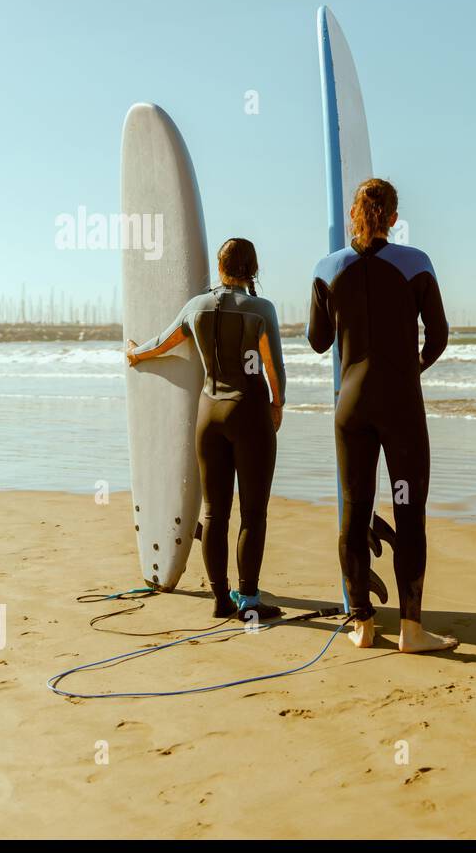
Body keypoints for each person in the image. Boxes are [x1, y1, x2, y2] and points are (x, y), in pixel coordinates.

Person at [307, 178, 455, 653]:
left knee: (354, 511)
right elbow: (438, 336)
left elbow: (318, 340)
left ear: (354, 214)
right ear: (394, 218)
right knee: (409, 512)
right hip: (401, 406)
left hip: (351, 406)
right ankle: (411, 630)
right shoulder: (416, 263)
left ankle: (362, 625)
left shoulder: (327, 268)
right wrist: (412, 368)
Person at [127, 238, 286, 622]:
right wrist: (276, 406)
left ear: (220, 267)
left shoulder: (196, 306)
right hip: (248, 414)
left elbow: (165, 342)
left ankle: (220, 599)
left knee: (215, 512)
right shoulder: (261, 309)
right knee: (253, 513)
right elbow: (273, 367)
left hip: (208, 414)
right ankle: (248, 598)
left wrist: (135, 354)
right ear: (254, 269)